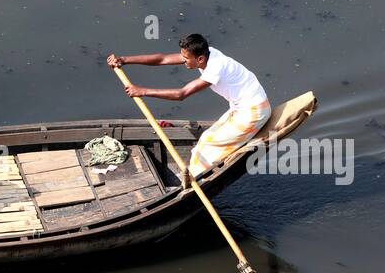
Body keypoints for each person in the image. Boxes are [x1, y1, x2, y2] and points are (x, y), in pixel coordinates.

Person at [107, 34, 270, 183]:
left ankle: (193, 180)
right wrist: (124, 59)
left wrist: (143, 91)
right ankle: (194, 174)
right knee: (205, 139)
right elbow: (162, 59)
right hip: (240, 106)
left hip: (254, 110)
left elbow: (181, 94)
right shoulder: (206, 54)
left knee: (209, 143)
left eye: (186, 58)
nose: (183, 60)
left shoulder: (215, 68)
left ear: (200, 59)